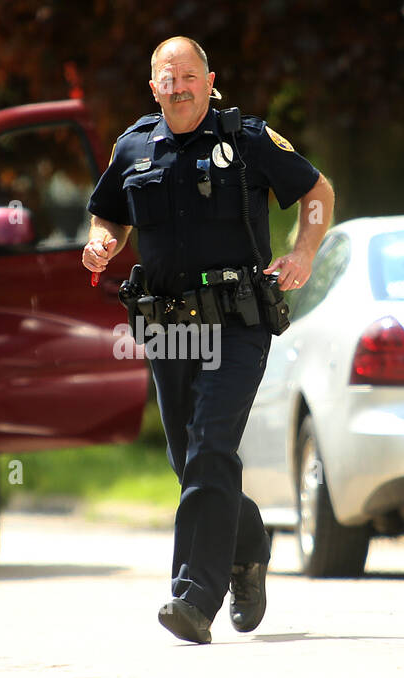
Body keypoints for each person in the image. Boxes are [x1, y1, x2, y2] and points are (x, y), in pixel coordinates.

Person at [83, 36, 335, 644]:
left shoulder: (246, 140)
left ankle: (194, 596)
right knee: (188, 460)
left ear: (209, 78)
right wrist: (103, 241)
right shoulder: (134, 146)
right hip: (168, 326)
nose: (178, 88)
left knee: (210, 449)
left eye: (189, 77)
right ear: (153, 87)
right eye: (167, 79)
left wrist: (302, 253)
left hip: (238, 322)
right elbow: (109, 213)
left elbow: (318, 192)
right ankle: (248, 548)